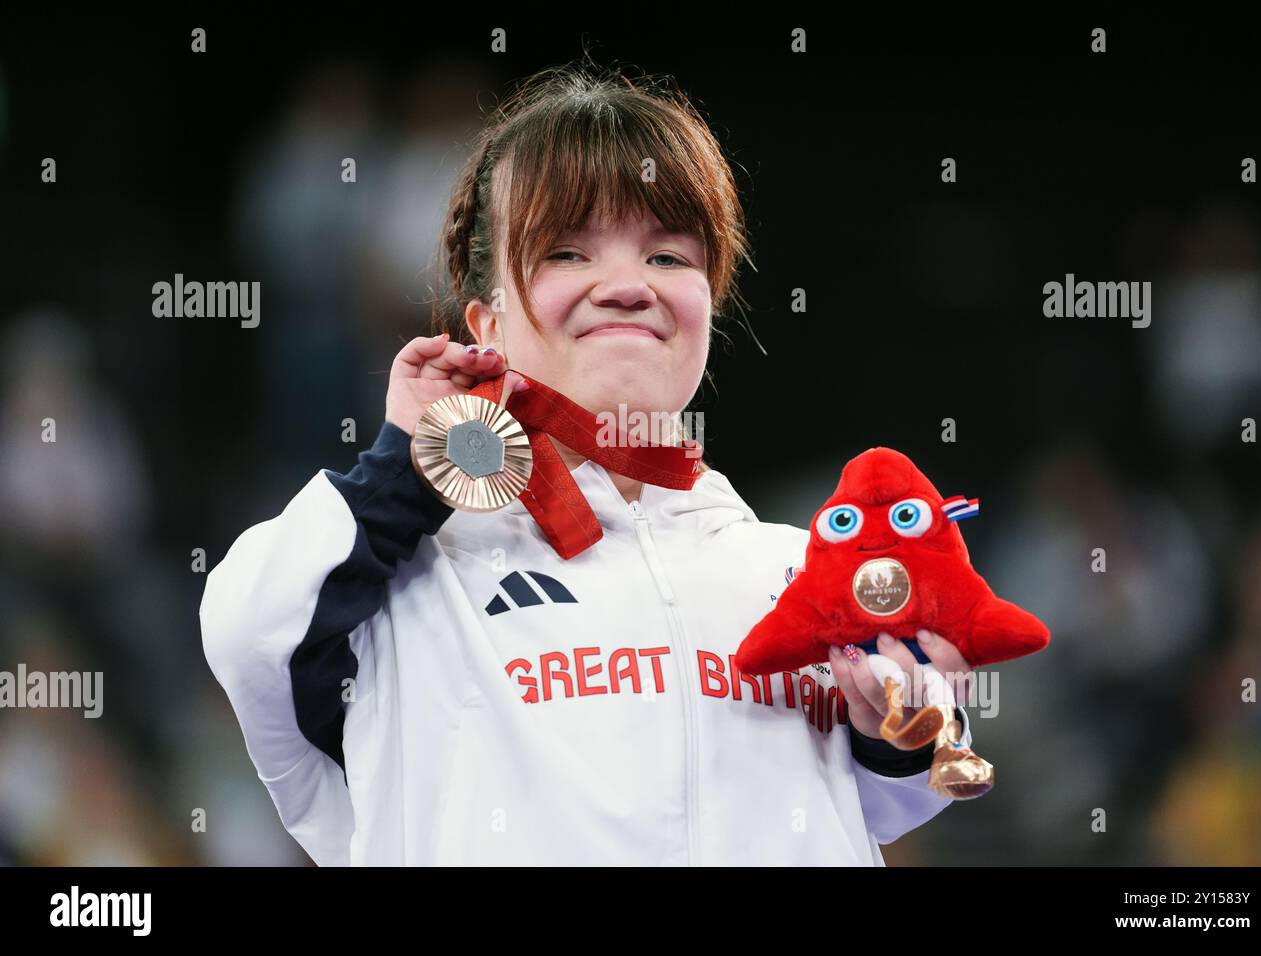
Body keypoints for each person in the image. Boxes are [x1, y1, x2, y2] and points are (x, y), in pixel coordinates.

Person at [200, 62, 976, 866]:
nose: (627, 286)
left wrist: (894, 728)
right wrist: (405, 473)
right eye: (568, 252)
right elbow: (249, 637)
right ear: (485, 325)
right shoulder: (406, 588)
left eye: (669, 256)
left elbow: (891, 803)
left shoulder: (793, 571)